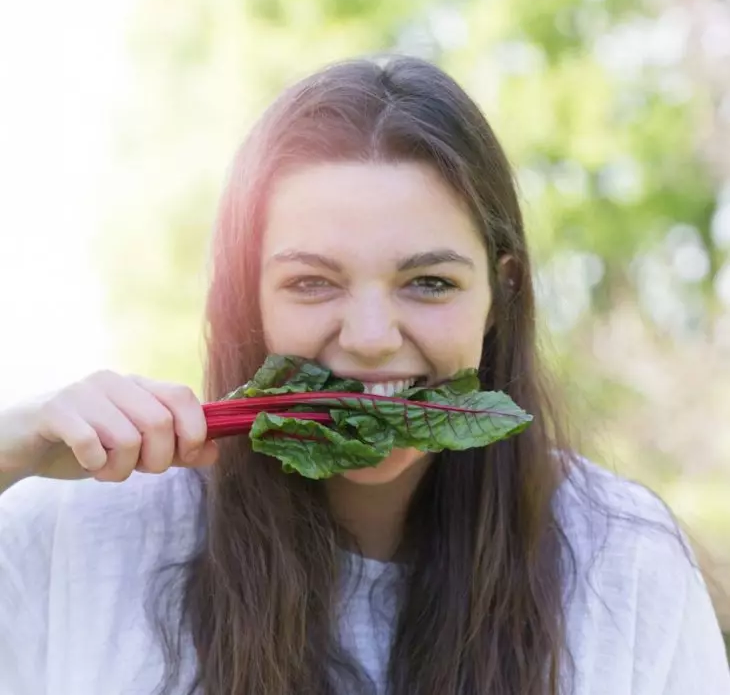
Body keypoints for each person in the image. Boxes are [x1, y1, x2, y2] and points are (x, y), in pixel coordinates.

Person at [0, 55, 727, 695]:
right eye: (313, 283)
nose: (373, 339)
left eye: (430, 283)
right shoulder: (80, 529)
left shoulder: (624, 561)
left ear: (500, 293)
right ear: (247, 300)